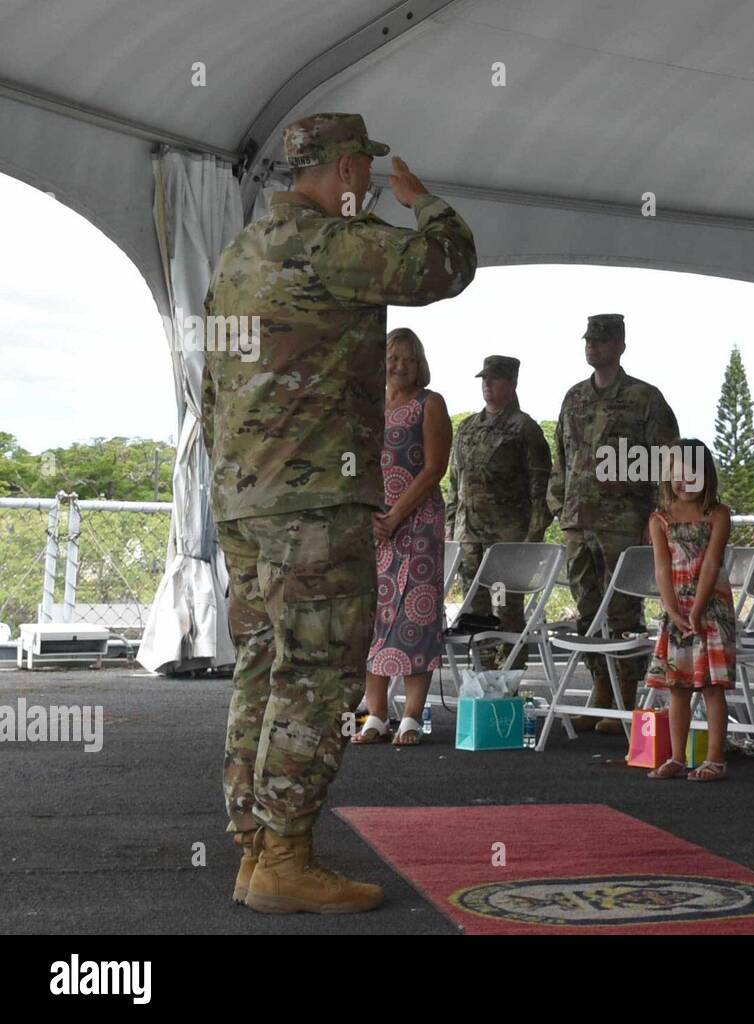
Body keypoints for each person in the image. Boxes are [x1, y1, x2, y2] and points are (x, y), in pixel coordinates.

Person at [203, 112, 476, 914]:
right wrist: (424, 202)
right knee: (320, 677)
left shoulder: (238, 254)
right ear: (348, 165)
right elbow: (447, 264)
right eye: (363, 168)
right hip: (315, 501)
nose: (364, 181)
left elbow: (213, 384)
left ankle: (257, 849)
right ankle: (287, 855)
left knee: (261, 668)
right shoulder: (332, 243)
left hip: (245, 502)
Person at [548, 314, 679, 732]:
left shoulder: (644, 398)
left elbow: (669, 462)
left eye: (602, 341)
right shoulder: (573, 398)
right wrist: (557, 506)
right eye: (589, 340)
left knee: (623, 610)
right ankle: (600, 685)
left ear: (620, 345)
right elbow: (562, 460)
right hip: (579, 523)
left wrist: (658, 518)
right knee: (587, 607)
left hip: (625, 523)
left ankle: (626, 690)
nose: (593, 346)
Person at [353, 329, 452, 746]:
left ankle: (411, 715)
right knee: (372, 612)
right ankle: (375, 714)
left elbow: (435, 468)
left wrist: (396, 515)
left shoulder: (430, 404)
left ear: (420, 364)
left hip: (417, 523)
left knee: (415, 611)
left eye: (408, 359)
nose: (400, 366)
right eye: (393, 358)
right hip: (376, 524)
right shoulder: (371, 407)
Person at [445, 355, 553, 668]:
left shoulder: (524, 429)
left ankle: (510, 682)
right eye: (484, 379)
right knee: (476, 616)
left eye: (495, 379)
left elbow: (540, 487)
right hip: (470, 541)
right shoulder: (467, 428)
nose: (487, 385)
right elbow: (456, 485)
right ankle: (484, 676)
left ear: (512, 383)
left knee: (506, 612)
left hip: (507, 543)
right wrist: (451, 532)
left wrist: (532, 539)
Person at [643, 440, 736, 782]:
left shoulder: (718, 514)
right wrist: (672, 609)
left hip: (711, 608)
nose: (683, 481)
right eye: (676, 473)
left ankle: (715, 759)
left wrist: (697, 609)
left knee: (712, 686)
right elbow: (661, 569)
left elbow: (712, 563)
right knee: (677, 685)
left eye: (691, 473)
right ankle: (677, 757)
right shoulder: (660, 519)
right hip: (676, 610)